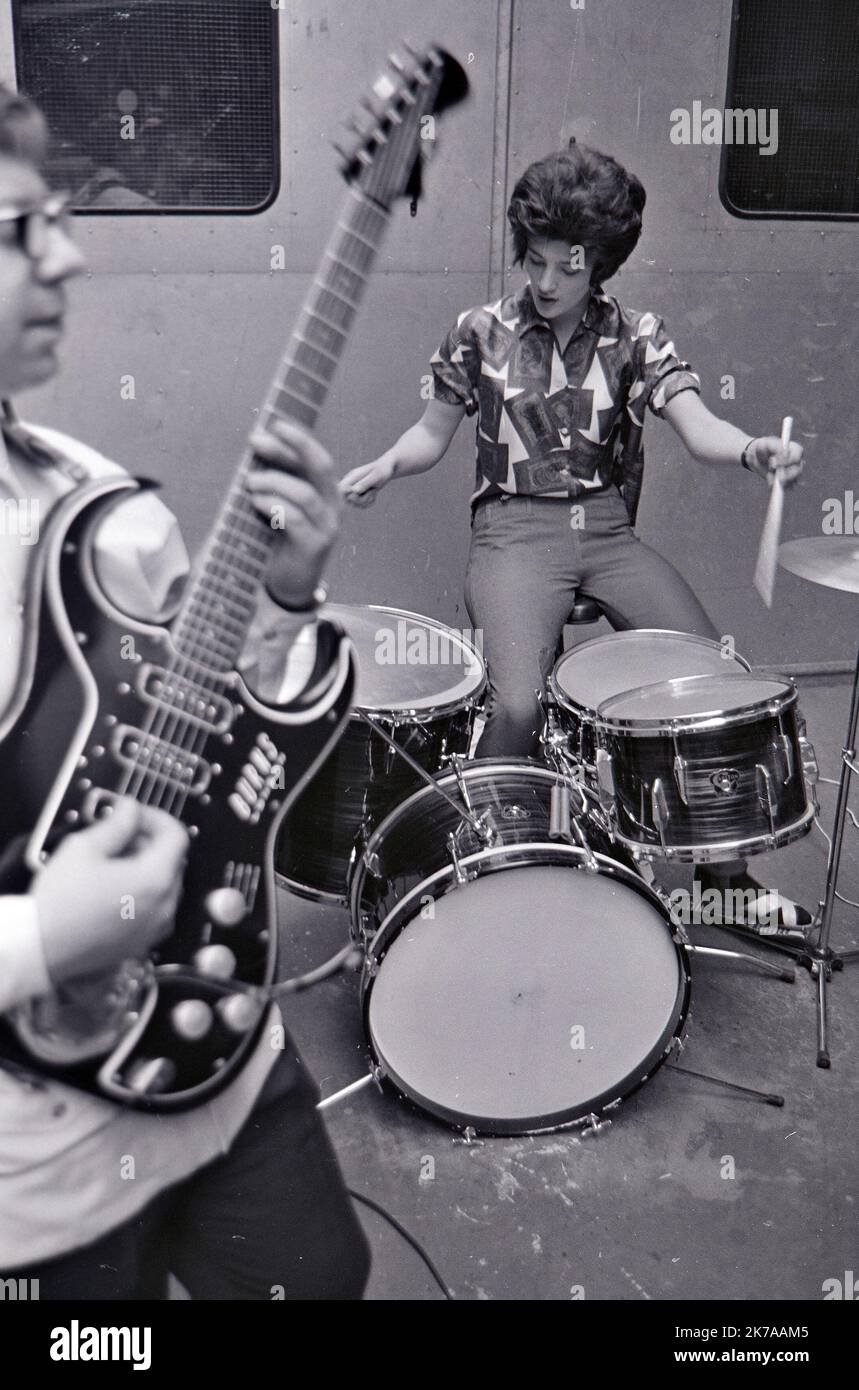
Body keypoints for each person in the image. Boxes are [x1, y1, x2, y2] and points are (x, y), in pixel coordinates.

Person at [0, 86, 370, 1299]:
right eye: (18, 229)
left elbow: (224, 720)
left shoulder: (94, 497)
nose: (69, 251)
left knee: (319, 1281)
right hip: (26, 1180)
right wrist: (51, 933)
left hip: (219, 1055)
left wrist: (287, 594)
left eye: (54, 212)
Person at [341, 140, 809, 930]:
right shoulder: (477, 332)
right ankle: (468, 870)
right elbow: (429, 435)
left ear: (601, 264)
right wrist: (389, 463)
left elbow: (697, 427)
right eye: (535, 262)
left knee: (711, 683)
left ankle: (721, 879)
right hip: (512, 532)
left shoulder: (637, 335)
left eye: (569, 266)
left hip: (606, 531)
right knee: (517, 702)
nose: (547, 282)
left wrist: (750, 451)